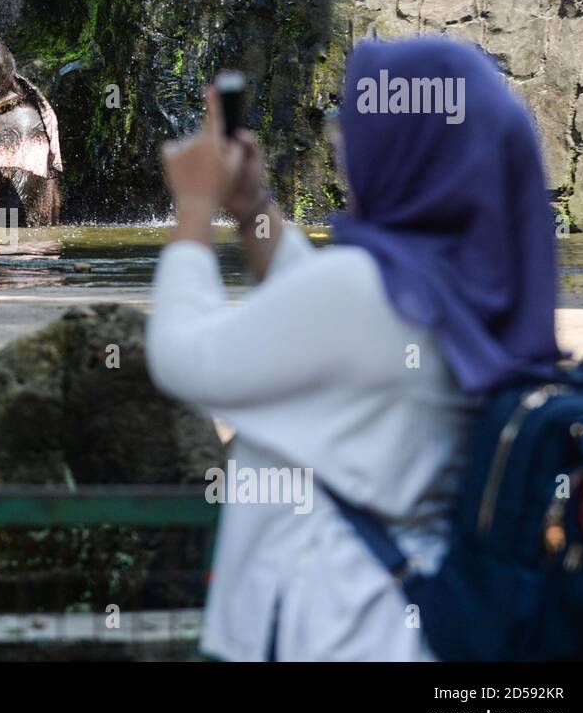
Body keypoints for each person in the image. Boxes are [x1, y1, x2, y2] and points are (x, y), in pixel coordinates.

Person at [146, 36, 561, 661]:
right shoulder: (472, 283)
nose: (341, 139)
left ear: (408, 145)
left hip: (332, 631)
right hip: (405, 625)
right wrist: (252, 209)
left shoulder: (366, 291)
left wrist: (195, 207)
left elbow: (183, 357)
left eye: (354, 121)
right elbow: (326, 322)